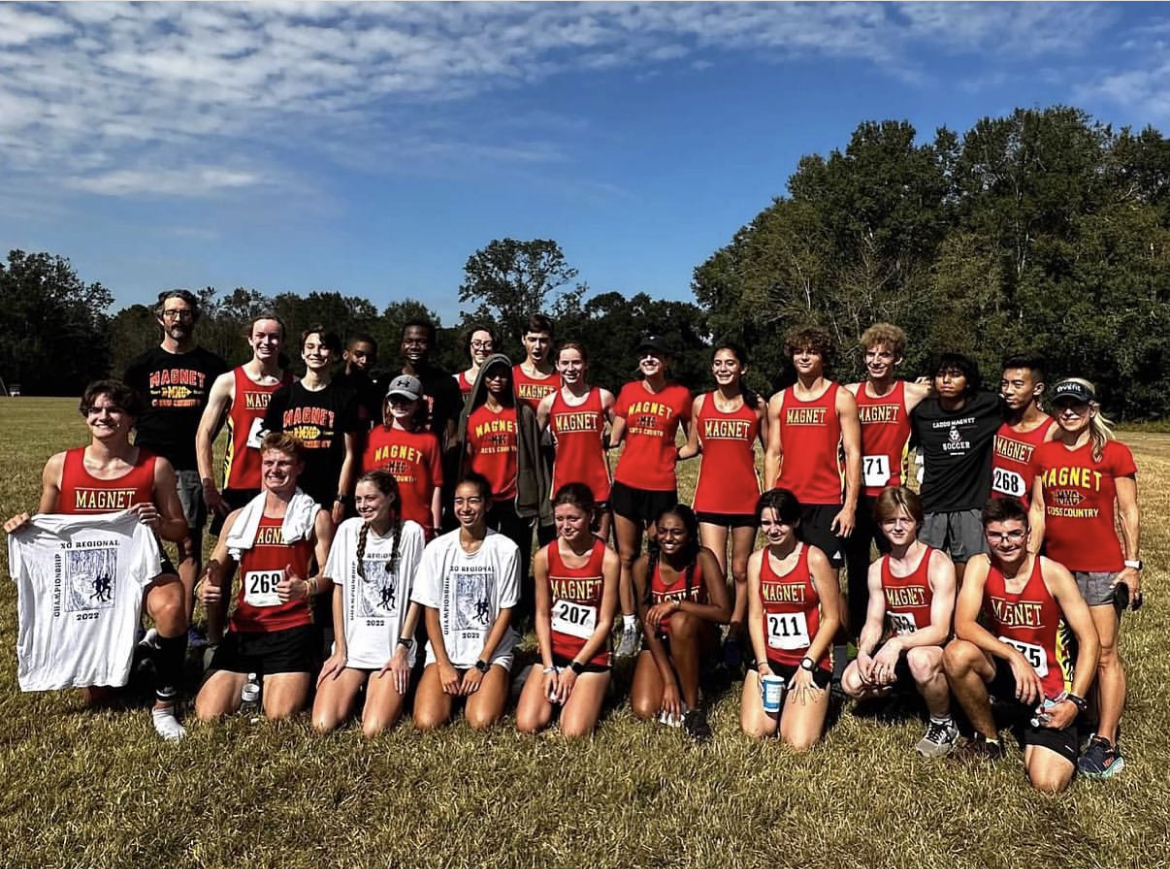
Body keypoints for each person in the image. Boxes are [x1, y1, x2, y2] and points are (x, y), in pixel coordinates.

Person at [5, 380, 191, 740]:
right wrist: (22, 524)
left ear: (131, 419)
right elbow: (46, 526)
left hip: (140, 565)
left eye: (114, 409)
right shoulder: (60, 465)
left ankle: (165, 703)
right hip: (84, 575)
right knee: (103, 695)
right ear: (86, 416)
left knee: (171, 606)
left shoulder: (155, 466)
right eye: (95, 409)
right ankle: (144, 651)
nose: (103, 416)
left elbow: (179, 530)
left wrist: (159, 522)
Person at [943, 497, 1099, 793]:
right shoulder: (980, 565)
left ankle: (1044, 729)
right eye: (996, 535)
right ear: (985, 535)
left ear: (1028, 534)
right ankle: (988, 740)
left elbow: (1089, 640)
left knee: (1047, 783)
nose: (1005, 543)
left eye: (1014, 534)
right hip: (1010, 672)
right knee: (956, 653)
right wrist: (1014, 656)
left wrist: (1075, 702)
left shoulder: (1052, 573)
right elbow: (963, 624)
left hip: (1052, 687)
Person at [1028, 378, 1141, 778]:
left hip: (1101, 567)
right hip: (1058, 568)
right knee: (1068, 646)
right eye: (1062, 405)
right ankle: (1074, 710)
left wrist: (1132, 565)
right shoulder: (1044, 454)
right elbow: (1038, 510)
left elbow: (1128, 511)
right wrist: (1030, 558)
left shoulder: (1114, 453)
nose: (1069, 412)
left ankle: (1106, 739)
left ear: (1092, 409)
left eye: (1077, 405)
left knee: (1105, 652)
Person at [194, 433, 334, 721]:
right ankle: (252, 679)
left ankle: (275, 679)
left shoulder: (314, 516)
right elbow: (215, 569)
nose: (275, 470)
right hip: (246, 629)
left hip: (292, 628)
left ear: (299, 468)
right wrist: (202, 587)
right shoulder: (239, 518)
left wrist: (305, 587)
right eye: (269, 462)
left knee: (280, 715)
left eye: (284, 463)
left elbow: (330, 576)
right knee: (207, 713)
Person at [122, 289, 227, 636]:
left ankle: (180, 627)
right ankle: (131, 625)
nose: (178, 319)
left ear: (194, 317)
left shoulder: (212, 367)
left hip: (188, 466)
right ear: (159, 318)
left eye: (184, 313)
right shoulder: (140, 366)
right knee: (136, 543)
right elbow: (127, 415)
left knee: (188, 545)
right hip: (146, 464)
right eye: (171, 313)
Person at [196, 314, 293, 645]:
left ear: (283, 342)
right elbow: (204, 434)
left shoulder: (292, 383)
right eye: (260, 336)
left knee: (276, 567)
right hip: (237, 488)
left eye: (275, 336)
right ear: (250, 340)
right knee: (222, 568)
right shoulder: (229, 381)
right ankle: (213, 640)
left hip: (280, 491)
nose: (267, 342)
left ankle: (271, 634)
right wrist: (209, 485)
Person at [840, 487, 959, 757]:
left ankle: (944, 723)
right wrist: (863, 652)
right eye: (890, 521)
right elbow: (873, 621)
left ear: (918, 522)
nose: (897, 527)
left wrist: (897, 645)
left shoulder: (937, 564)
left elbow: (940, 631)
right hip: (901, 649)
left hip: (933, 649)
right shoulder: (878, 569)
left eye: (904, 520)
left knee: (919, 659)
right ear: (880, 525)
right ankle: (906, 695)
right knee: (851, 682)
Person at [312, 470, 425, 736]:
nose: (363, 505)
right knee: (321, 725)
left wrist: (402, 650)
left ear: (390, 497)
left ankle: (379, 690)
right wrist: (340, 648)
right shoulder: (349, 531)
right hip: (353, 651)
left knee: (373, 730)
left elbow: (417, 597)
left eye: (371, 498)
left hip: (390, 654)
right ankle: (359, 688)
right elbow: (338, 591)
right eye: (359, 499)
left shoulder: (412, 533)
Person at [410, 473, 520, 731]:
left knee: (481, 722)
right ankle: (454, 685)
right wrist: (444, 665)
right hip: (446, 652)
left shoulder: (506, 549)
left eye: (473, 501)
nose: (465, 508)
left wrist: (481, 664)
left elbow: (505, 612)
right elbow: (431, 611)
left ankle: (507, 677)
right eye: (459, 501)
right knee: (427, 723)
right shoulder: (437, 549)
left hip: (489, 654)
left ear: (487, 505)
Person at [842, 323, 931, 641]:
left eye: (885, 355)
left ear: (898, 359)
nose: (876, 360)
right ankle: (857, 634)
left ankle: (900, 629)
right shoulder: (850, 393)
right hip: (855, 493)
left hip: (891, 496)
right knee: (856, 567)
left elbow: (949, 390)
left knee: (896, 563)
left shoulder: (911, 392)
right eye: (870, 354)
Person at [678, 341, 766, 661]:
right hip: (711, 496)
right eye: (717, 363)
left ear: (743, 368)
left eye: (730, 363)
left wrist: (770, 491)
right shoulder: (700, 403)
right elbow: (691, 447)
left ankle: (737, 628)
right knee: (714, 568)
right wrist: (661, 454)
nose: (723, 369)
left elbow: (771, 450)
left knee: (741, 569)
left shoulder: (758, 405)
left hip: (746, 498)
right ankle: (713, 627)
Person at [609, 335, 693, 658]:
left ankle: (658, 619)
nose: (649, 359)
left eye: (655, 354)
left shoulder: (681, 394)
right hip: (628, 483)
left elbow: (693, 443)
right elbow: (615, 437)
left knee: (659, 556)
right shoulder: (628, 392)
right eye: (644, 354)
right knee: (627, 558)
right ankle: (631, 625)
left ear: (667, 361)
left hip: (662, 487)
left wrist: (671, 456)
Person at [455, 354, 553, 627]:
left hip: (514, 498)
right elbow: (465, 458)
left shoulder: (522, 414)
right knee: (481, 557)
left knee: (515, 558)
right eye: (492, 374)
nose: (497, 380)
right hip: (482, 500)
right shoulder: (472, 416)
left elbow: (535, 457)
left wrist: (538, 497)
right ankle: (483, 610)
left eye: (503, 375)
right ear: (483, 379)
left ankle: (516, 616)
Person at [740, 489, 842, 750]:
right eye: (766, 523)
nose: (773, 530)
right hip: (772, 659)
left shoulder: (814, 559)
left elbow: (832, 618)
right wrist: (762, 664)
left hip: (809, 660)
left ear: (795, 522)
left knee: (797, 742)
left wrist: (808, 664)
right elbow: (754, 616)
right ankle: (786, 696)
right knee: (754, 731)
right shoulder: (756, 561)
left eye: (781, 522)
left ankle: (820, 696)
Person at [516, 483, 620, 738]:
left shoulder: (608, 560)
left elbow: (605, 622)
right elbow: (541, 614)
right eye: (560, 519)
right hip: (554, 653)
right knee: (528, 724)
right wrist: (550, 667)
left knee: (573, 731)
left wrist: (574, 669)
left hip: (590, 656)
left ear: (590, 517)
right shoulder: (544, 557)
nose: (566, 526)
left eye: (574, 518)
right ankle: (539, 678)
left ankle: (600, 685)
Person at [763, 326, 861, 583]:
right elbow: (773, 453)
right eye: (798, 352)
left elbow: (853, 453)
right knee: (789, 574)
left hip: (827, 501)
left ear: (824, 357)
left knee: (829, 579)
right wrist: (769, 502)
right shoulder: (779, 401)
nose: (804, 357)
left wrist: (849, 506)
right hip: (788, 500)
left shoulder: (841, 397)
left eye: (812, 352)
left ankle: (838, 625)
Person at [631, 504, 731, 742]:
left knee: (679, 622)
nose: (668, 538)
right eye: (663, 531)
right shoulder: (643, 566)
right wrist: (668, 682)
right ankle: (675, 678)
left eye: (677, 532)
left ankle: (693, 711)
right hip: (660, 642)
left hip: (698, 638)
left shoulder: (703, 558)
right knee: (644, 709)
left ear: (690, 534)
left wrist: (677, 604)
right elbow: (647, 626)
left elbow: (724, 613)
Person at [909, 352, 1002, 584]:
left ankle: (963, 617)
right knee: (926, 570)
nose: (947, 380)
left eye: (955, 375)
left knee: (970, 572)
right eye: (941, 375)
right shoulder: (922, 412)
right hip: (932, 504)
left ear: (968, 381)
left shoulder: (988, 406)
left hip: (971, 504)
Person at [262, 325, 359, 526]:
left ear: (333, 355)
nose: (316, 352)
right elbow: (268, 453)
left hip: (328, 491)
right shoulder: (283, 396)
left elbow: (349, 454)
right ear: (302, 353)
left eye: (323, 347)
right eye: (310, 347)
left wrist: (341, 498)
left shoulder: (346, 398)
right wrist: (268, 493)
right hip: (288, 489)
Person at [537, 341, 616, 545]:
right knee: (567, 550)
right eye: (565, 363)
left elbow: (621, 433)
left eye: (576, 362)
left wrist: (607, 440)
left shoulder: (603, 398)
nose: (570, 369)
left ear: (586, 364)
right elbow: (533, 441)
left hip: (598, 485)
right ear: (557, 365)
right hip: (564, 487)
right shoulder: (548, 403)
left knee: (598, 550)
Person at [361, 374, 443, 540]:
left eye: (406, 400)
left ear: (418, 404)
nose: (399, 404)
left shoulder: (429, 439)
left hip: (418, 523)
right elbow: (366, 483)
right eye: (394, 399)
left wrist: (436, 527)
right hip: (381, 522)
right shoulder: (375, 436)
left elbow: (437, 485)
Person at [992, 355, 1057, 506]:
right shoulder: (997, 421)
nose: (1008, 391)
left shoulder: (1053, 431)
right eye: (1004, 384)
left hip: (1027, 521)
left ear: (1038, 388)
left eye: (1017, 384)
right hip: (994, 520)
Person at [397, 319, 462, 450]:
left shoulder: (446, 383)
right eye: (409, 341)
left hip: (430, 462)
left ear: (431, 345)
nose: (414, 346)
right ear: (402, 344)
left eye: (421, 341)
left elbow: (452, 435)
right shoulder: (385, 382)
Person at [512, 314, 561, 415]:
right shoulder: (510, 375)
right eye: (532, 340)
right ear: (523, 339)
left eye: (543, 340)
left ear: (551, 341)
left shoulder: (561, 378)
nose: (537, 346)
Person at [334, 333, 384, 431]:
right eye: (359, 355)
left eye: (370, 357)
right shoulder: (332, 383)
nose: (364, 361)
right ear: (345, 355)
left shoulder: (373, 391)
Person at [455, 324, 497, 401]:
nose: (482, 349)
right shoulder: (455, 381)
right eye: (477, 344)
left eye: (488, 344)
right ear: (469, 346)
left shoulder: (502, 382)